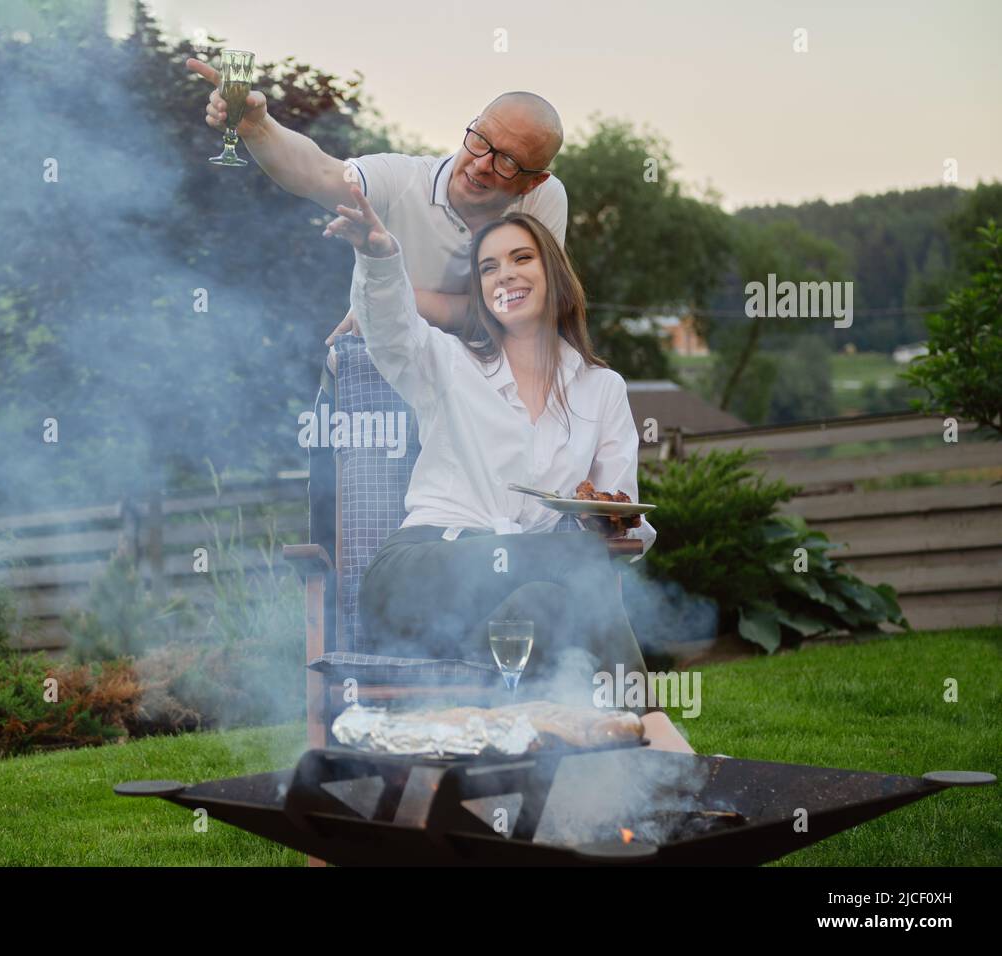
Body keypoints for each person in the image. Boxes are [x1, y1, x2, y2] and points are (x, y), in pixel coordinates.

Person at [323, 182, 695, 755]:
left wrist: (612, 524)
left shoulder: (602, 391)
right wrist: (379, 256)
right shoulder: (446, 363)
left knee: (543, 608)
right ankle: (654, 730)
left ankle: (554, 804)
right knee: (571, 562)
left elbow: (628, 524)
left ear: (554, 273)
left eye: (522, 258)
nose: (505, 276)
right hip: (418, 577)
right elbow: (390, 329)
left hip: (498, 606)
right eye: (489, 268)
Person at [186, 56, 568, 556]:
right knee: (343, 549)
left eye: (508, 162)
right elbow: (318, 171)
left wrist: (395, 299)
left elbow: (525, 313)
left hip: (470, 410)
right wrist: (260, 129)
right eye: (480, 140)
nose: (479, 164)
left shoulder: (544, 202)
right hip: (370, 392)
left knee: (464, 553)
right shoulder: (400, 178)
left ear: (531, 181)